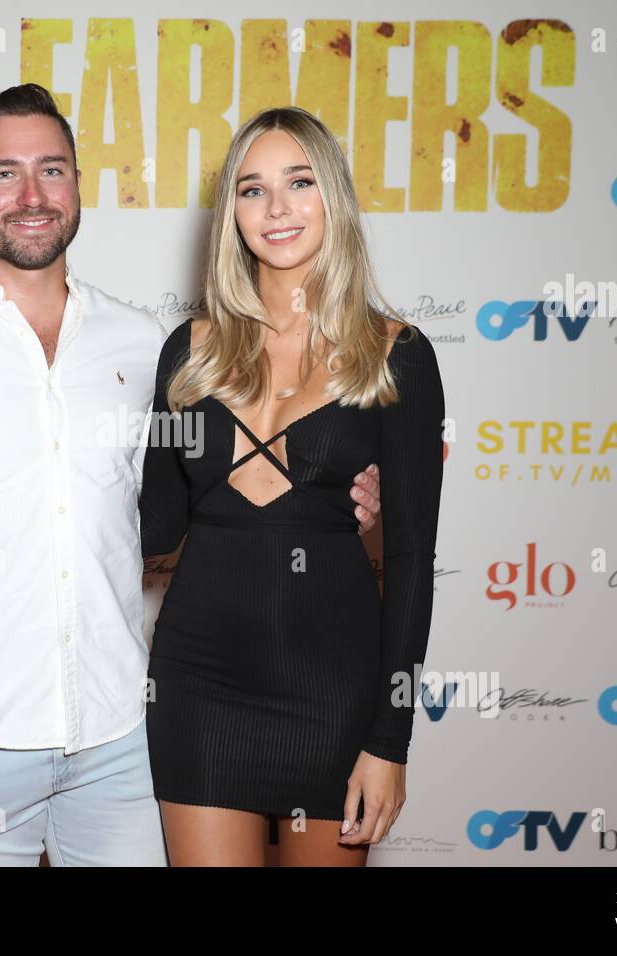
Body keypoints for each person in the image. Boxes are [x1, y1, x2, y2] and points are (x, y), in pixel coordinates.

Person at [0, 84, 383, 867]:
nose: (32, 195)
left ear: (77, 185)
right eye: (5, 173)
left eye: (52, 169)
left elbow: (187, 504)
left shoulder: (147, 343)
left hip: (124, 746)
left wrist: (338, 494)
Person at [139, 106, 446, 867]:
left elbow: (413, 562)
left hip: (334, 687)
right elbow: (152, 528)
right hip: (199, 684)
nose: (276, 208)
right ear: (232, 213)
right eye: (253, 189)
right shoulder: (189, 352)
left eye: (299, 182)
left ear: (332, 196)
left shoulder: (396, 355)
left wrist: (390, 740)